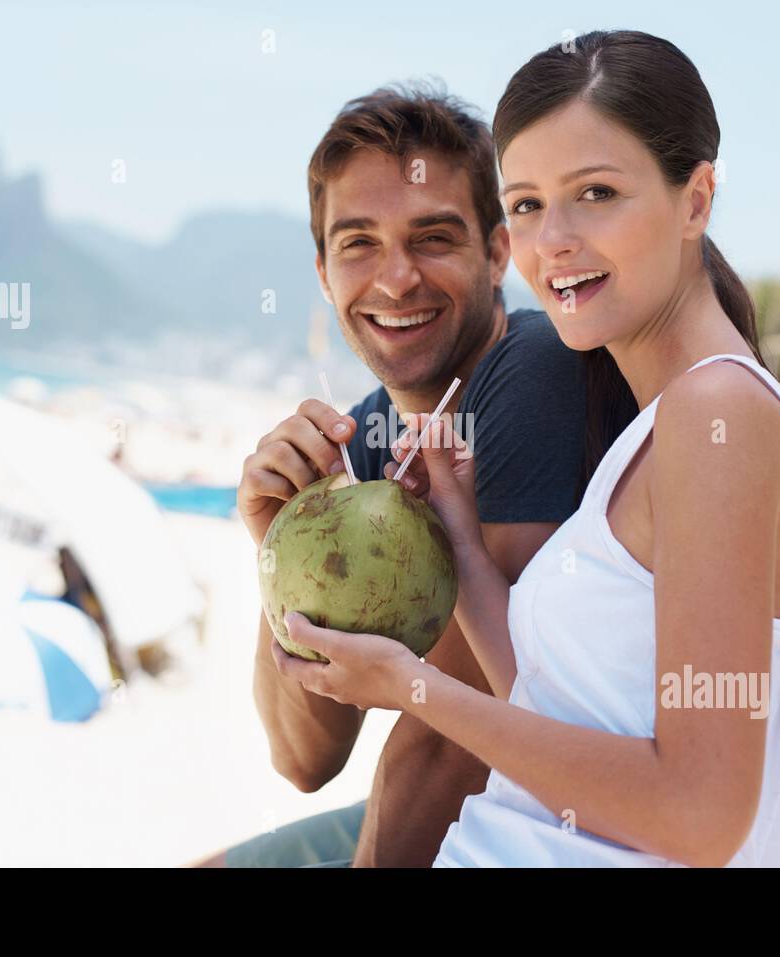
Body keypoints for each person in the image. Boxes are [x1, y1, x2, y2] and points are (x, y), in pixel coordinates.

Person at [274, 30, 780, 867]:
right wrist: (461, 538)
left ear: (696, 199)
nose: (554, 241)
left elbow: (700, 813)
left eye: (597, 192)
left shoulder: (719, 414)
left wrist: (410, 686)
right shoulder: (666, 424)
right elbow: (554, 710)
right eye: (529, 203)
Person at [205, 84, 636, 867]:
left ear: (499, 252)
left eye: (432, 237)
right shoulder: (368, 434)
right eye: (358, 243)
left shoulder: (534, 374)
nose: (395, 278)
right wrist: (276, 551)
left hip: (548, 821)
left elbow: (452, 748)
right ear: (324, 269)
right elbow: (304, 758)